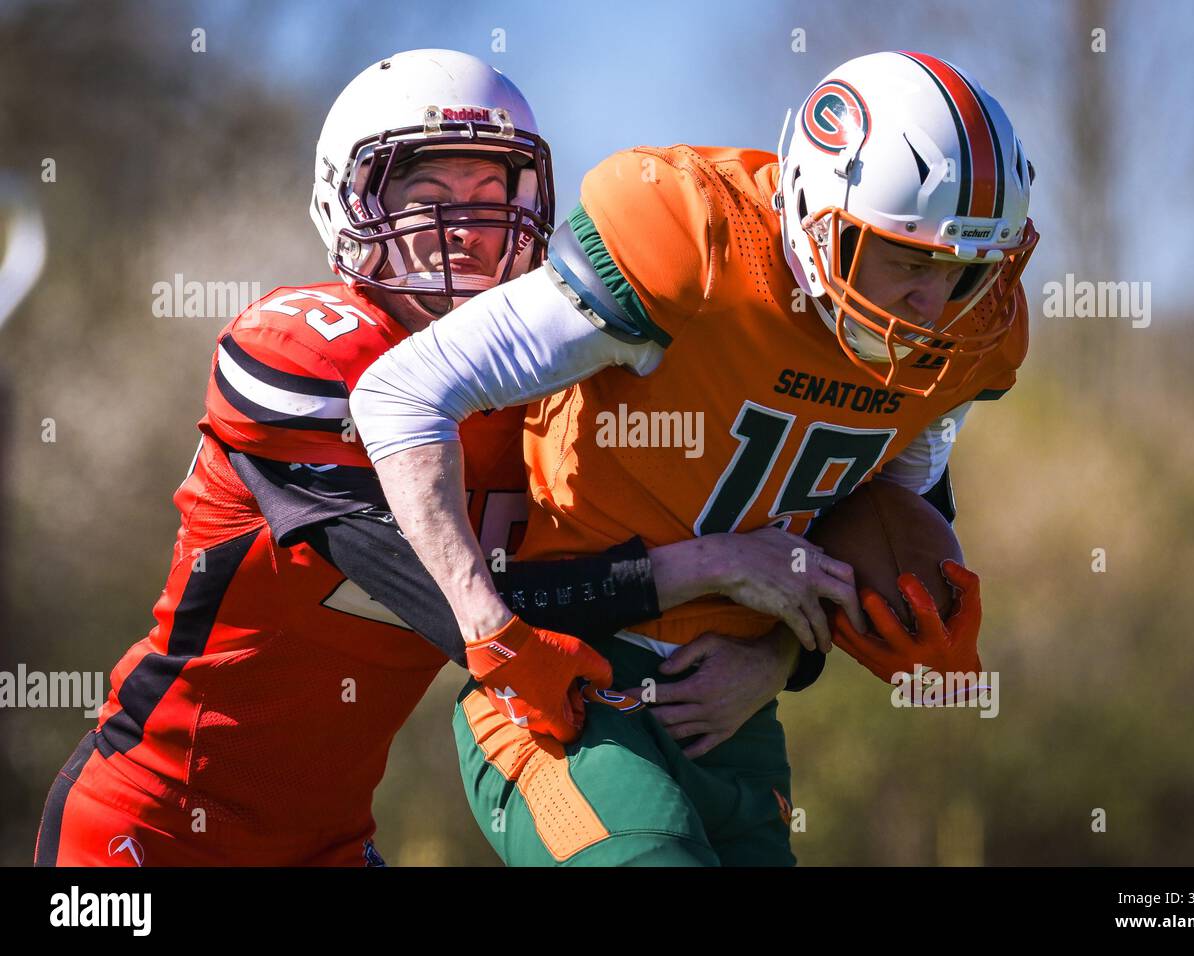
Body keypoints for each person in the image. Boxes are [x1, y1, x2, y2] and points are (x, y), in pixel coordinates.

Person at [34, 49, 845, 867]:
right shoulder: (304, 345)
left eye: (493, 200)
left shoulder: (544, 388)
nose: (464, 227)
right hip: (150, 821)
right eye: (428, 198)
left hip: (331, 843)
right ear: (344, 203)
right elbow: (460, 597)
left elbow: (757, 488)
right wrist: (709, 564)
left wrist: (778, 652)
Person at [350, 50, 1039, 865]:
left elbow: (862, 519)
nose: (937, 304)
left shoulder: (968, 339)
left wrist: (777, 656)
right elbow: (400, 393)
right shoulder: (691, 243)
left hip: (731, 721)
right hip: (570, 694)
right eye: (911, 261)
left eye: (967, 271)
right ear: (820, 217)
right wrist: (494, 634)